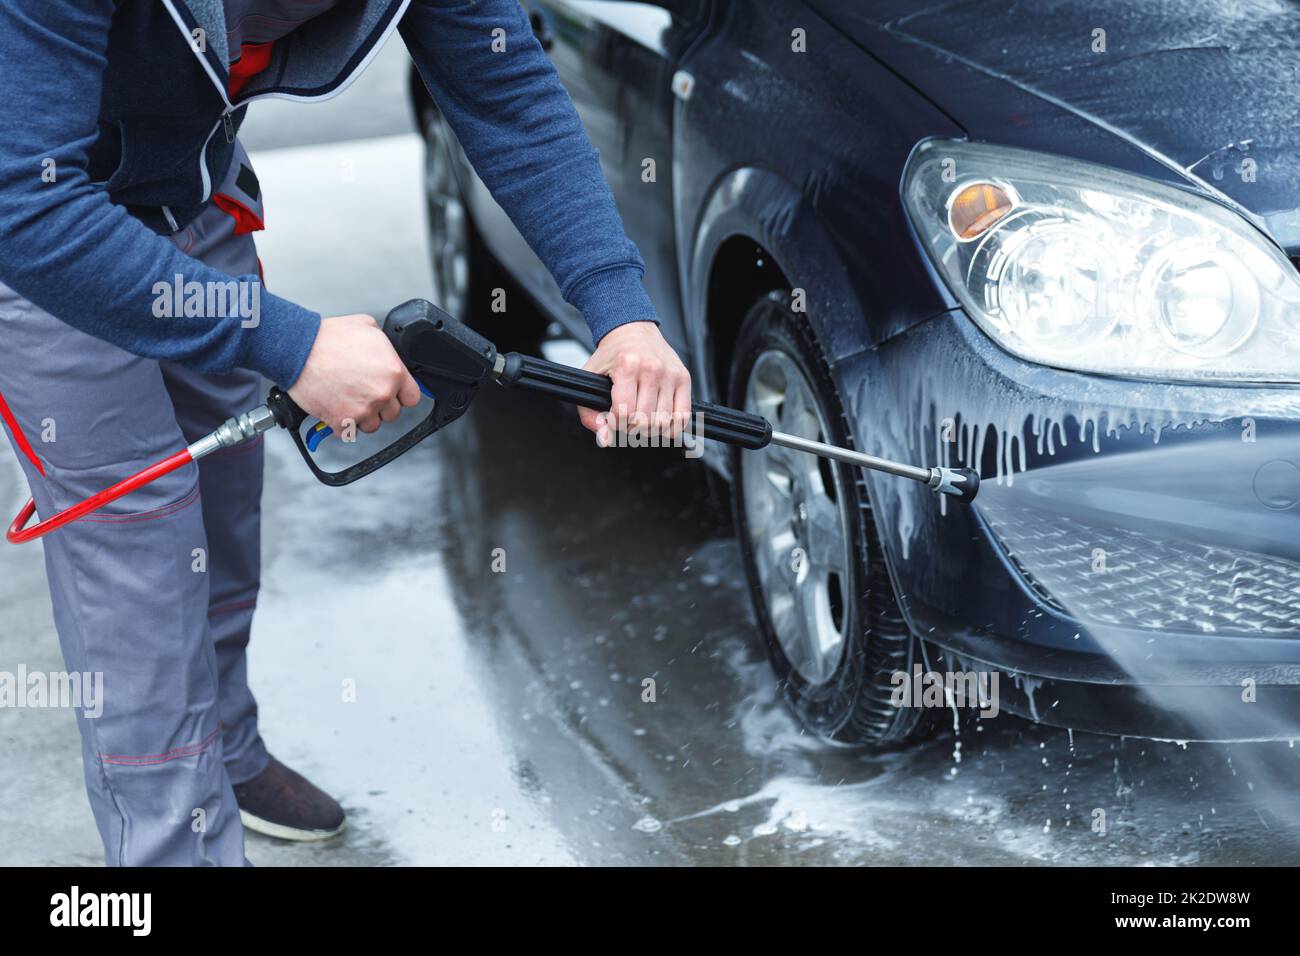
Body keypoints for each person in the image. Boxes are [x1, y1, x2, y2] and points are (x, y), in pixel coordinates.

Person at [0, 0, 691, 866]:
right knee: (138, 566)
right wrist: (291, 343)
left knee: (220, 512)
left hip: (187, 184)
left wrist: (619, 312)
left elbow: (505, 87)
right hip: (42, 227)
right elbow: (21, 202)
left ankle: (225, 748)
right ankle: (175, 842)